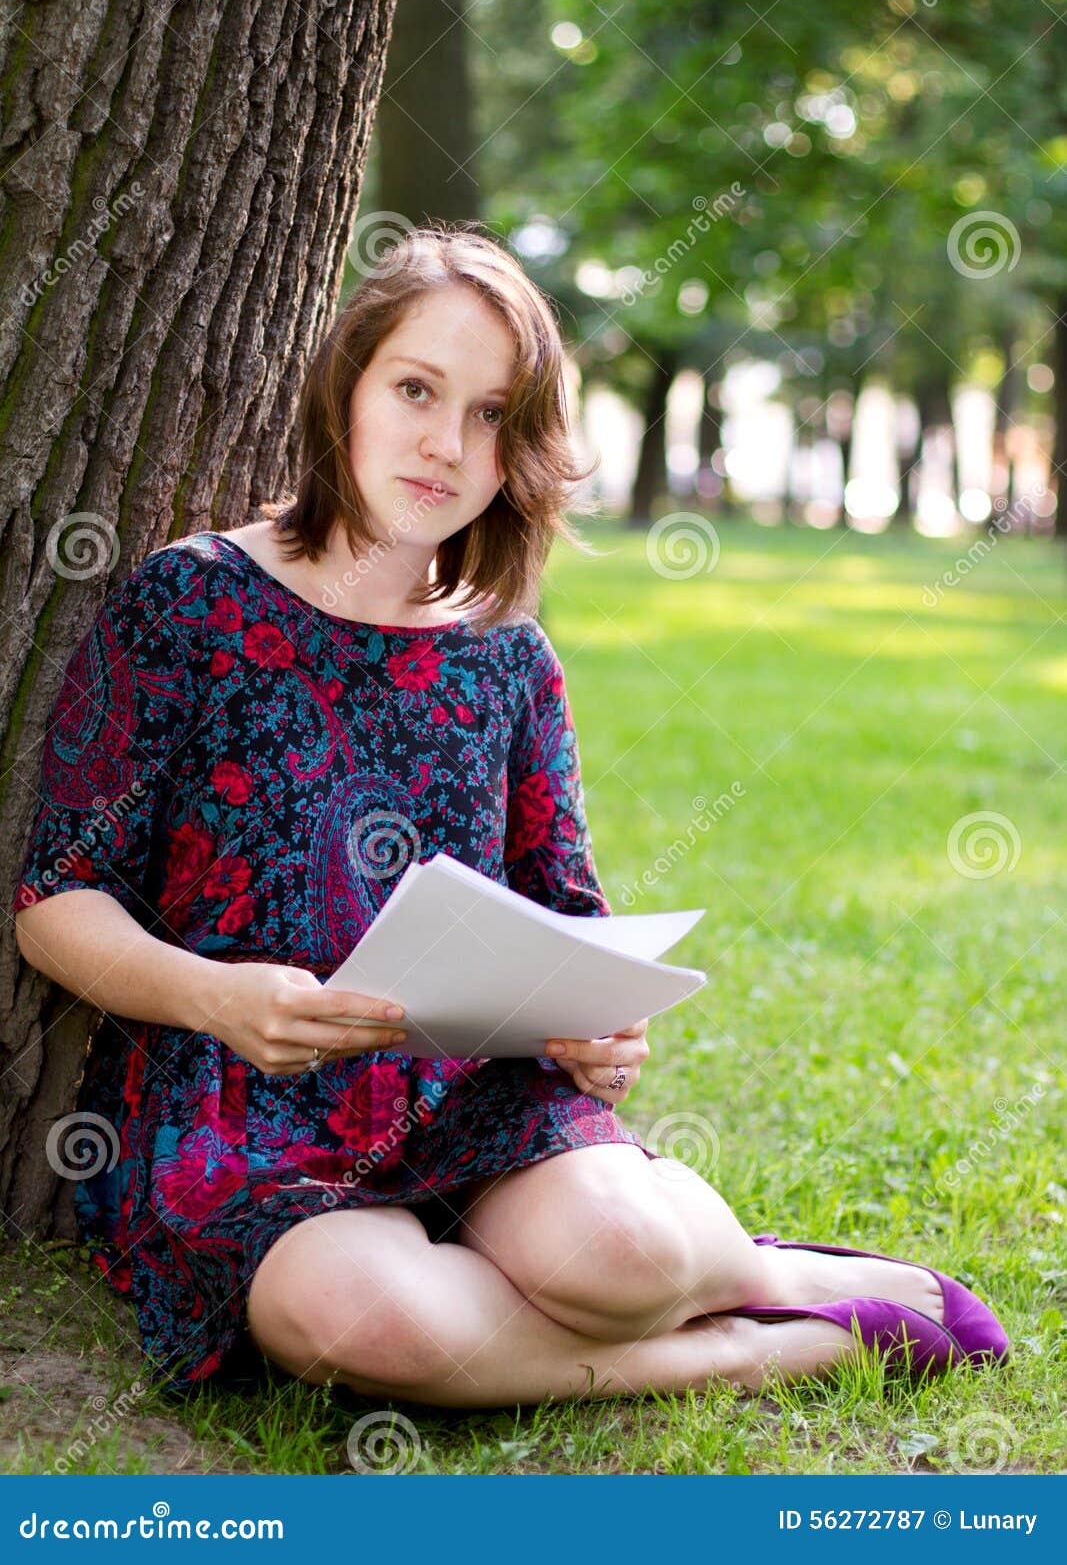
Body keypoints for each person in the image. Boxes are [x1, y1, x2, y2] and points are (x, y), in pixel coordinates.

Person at [12, 227, 1008, 1409]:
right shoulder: (189, 600)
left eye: (491, 414)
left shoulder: (505, 654)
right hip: (241, 1100)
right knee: (368, 1321)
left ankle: (748, 1269)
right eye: (416, 390)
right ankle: (765, 1340)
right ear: (345, 387)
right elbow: (54, 899)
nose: (446, 443)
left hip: (470, 1087)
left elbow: (568, 917)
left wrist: (602, 1034)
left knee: (627, 1263)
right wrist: (219, 996)